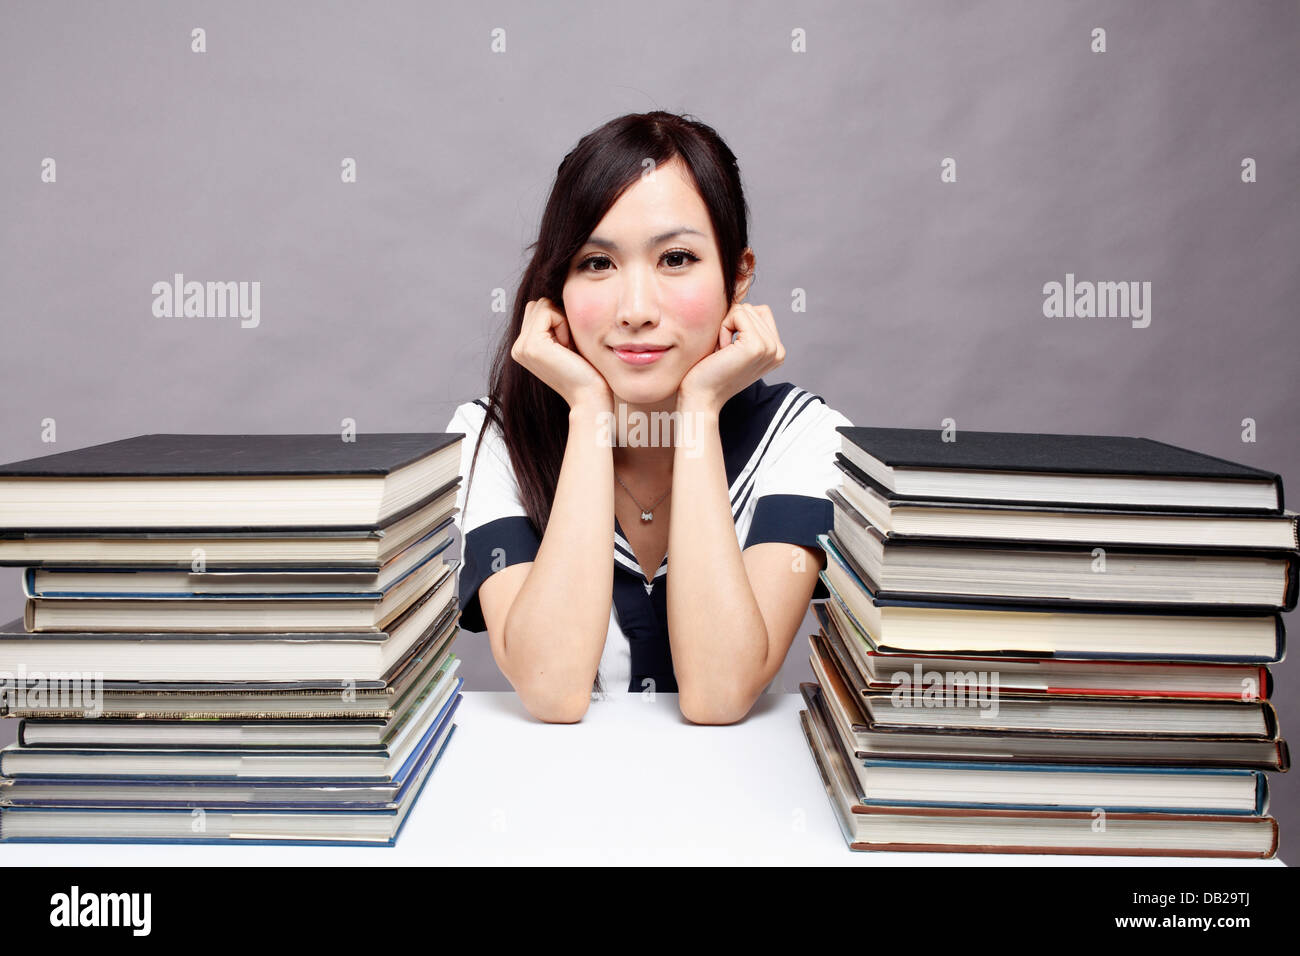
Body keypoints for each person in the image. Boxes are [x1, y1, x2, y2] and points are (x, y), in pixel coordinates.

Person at [445, 111, 852, 725]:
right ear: (556, 286)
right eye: (597, 263)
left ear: (737, 277)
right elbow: (552, 689)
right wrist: (586, 411)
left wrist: (700, 410)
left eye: (677, 259)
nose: (635, 310)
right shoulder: (491, 440)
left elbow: (720, 695)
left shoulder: (805, 438)